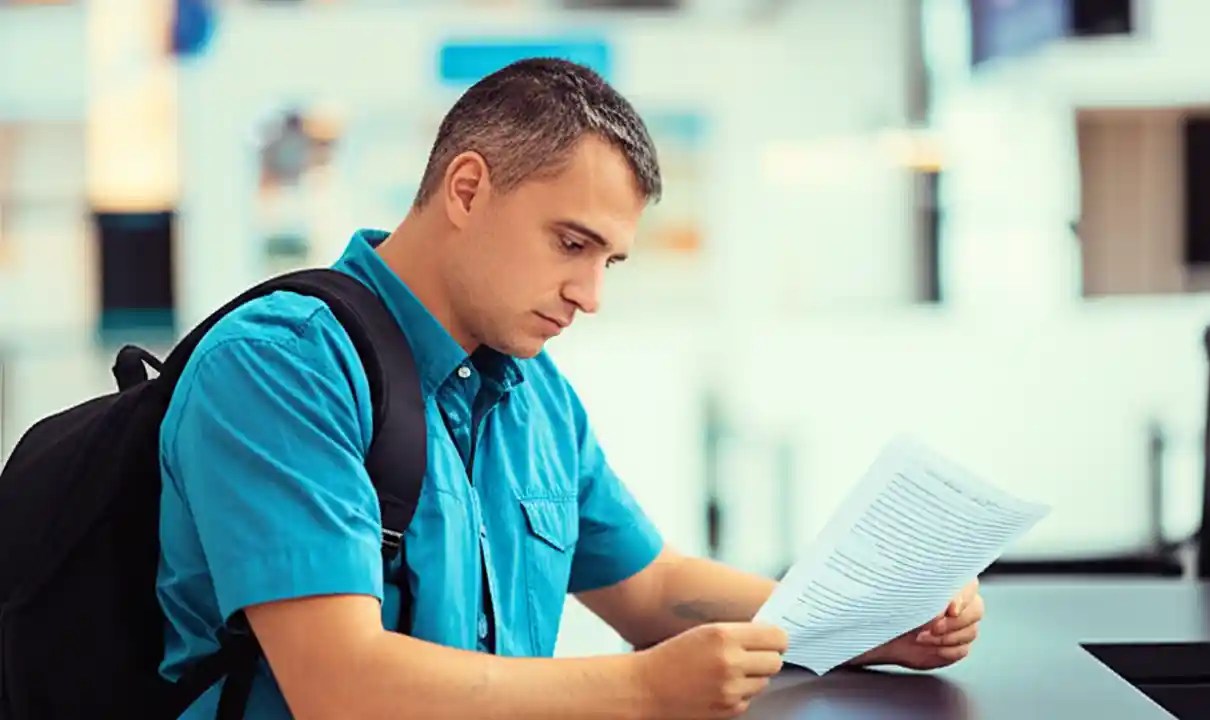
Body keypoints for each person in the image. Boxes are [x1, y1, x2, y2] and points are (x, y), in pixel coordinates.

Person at [156, 57, 985, 720]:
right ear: (469, 188)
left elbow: (652, 590)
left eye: (608, 261)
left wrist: (871, 624)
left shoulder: (532, 394)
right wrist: (642, 693)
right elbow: (343, 689)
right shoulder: (284, 366)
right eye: (571, 243)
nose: (590, 294)